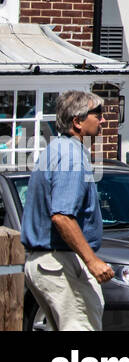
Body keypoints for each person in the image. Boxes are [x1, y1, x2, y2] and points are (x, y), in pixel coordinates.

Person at [21, 90, 115, 330]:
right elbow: (62, 217)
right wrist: (92, 261)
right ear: (78, 121)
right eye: (98, 114)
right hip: (58, 261)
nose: (103, 120)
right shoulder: (71, 157)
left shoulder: (57, 149)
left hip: (46, 261)